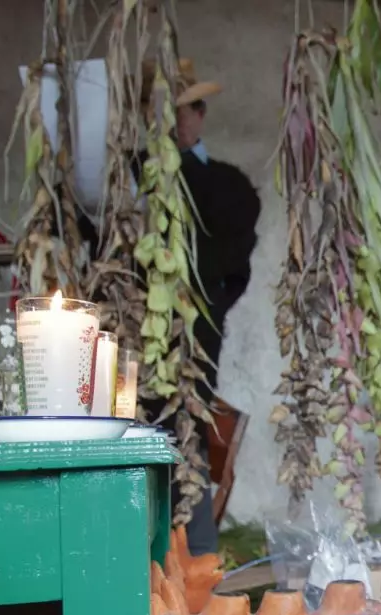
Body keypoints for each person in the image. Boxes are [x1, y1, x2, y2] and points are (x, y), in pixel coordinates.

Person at [140, 59, 260, 556]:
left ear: (200, 115)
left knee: (189, 422)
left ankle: (196, 553)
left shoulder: (226, 184)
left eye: (186, 110)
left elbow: (235, 259)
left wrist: (203, 303)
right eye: (166, 111)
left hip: (200, 331)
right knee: (146, 427)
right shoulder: (137, 175)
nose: (178, 120)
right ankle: (152, 548)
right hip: (144, 329)